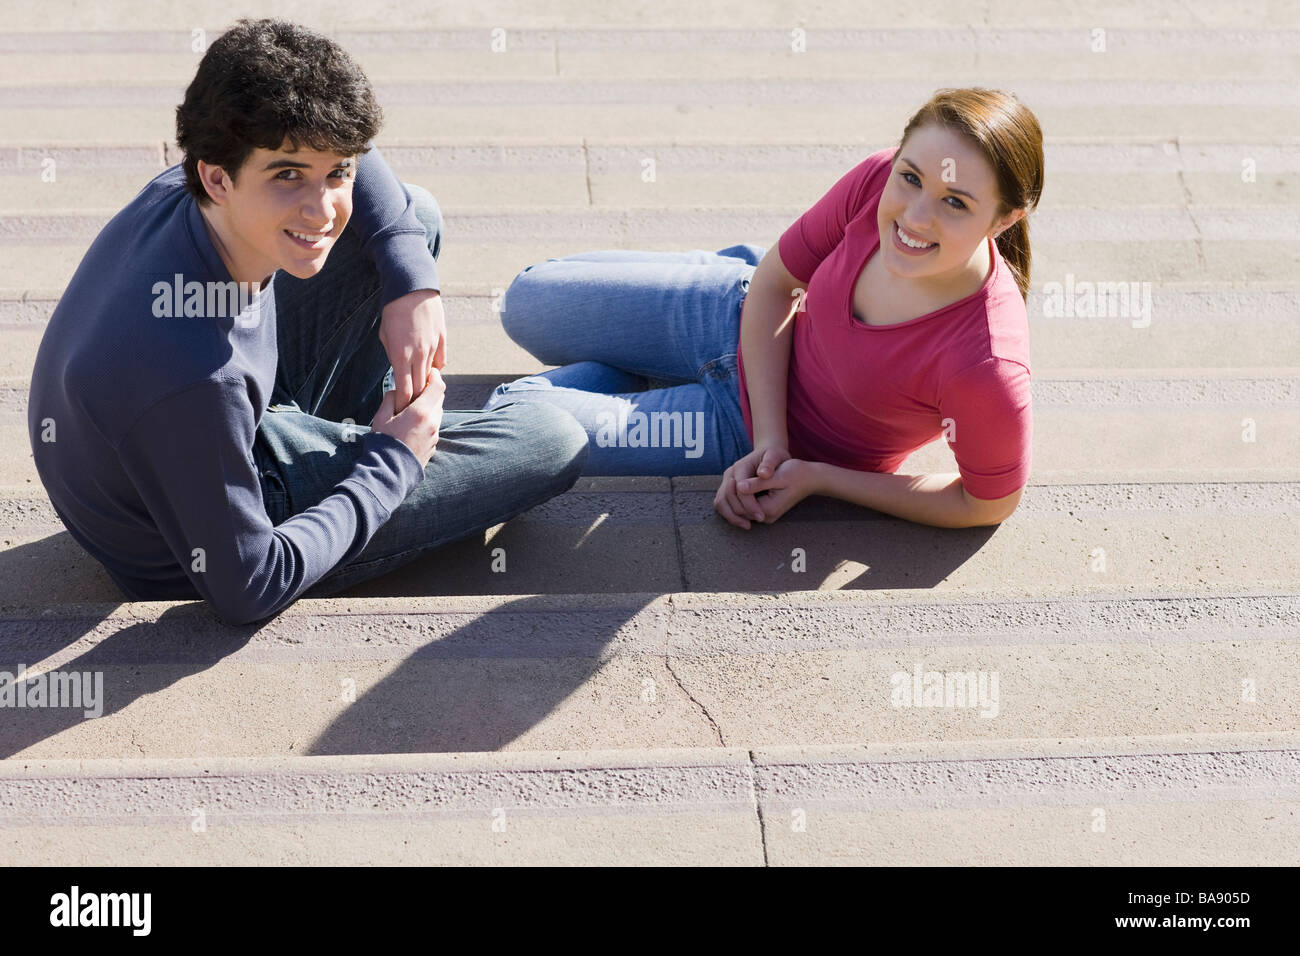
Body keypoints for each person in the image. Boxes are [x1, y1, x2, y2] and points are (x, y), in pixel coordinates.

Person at [26, 18, 589, 626]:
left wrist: (413, 285)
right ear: (218, 175)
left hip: (231, 420)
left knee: (408, 221)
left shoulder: (193, 189)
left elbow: (351, 156)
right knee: (553, 438)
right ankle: (364, 442)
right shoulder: (193, 375)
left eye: (335, 172)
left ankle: (345, 429)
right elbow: (248, 586)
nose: (321, 208)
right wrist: (391, 464)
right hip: (211, 535)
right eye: (288, 175)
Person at [485, 87, 1041, 531]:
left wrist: (810, 473)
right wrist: (772, 437)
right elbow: (777, 282)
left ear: (1004, 219)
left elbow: (984, 503)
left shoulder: (987, 367)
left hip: (736, 432)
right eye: (911, 177)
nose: (915, 217)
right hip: (741, 313)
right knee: (522, 302)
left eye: (955, 203)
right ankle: (667, 329)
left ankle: (631, 371)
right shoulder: (875, 178)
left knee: (517, 416)